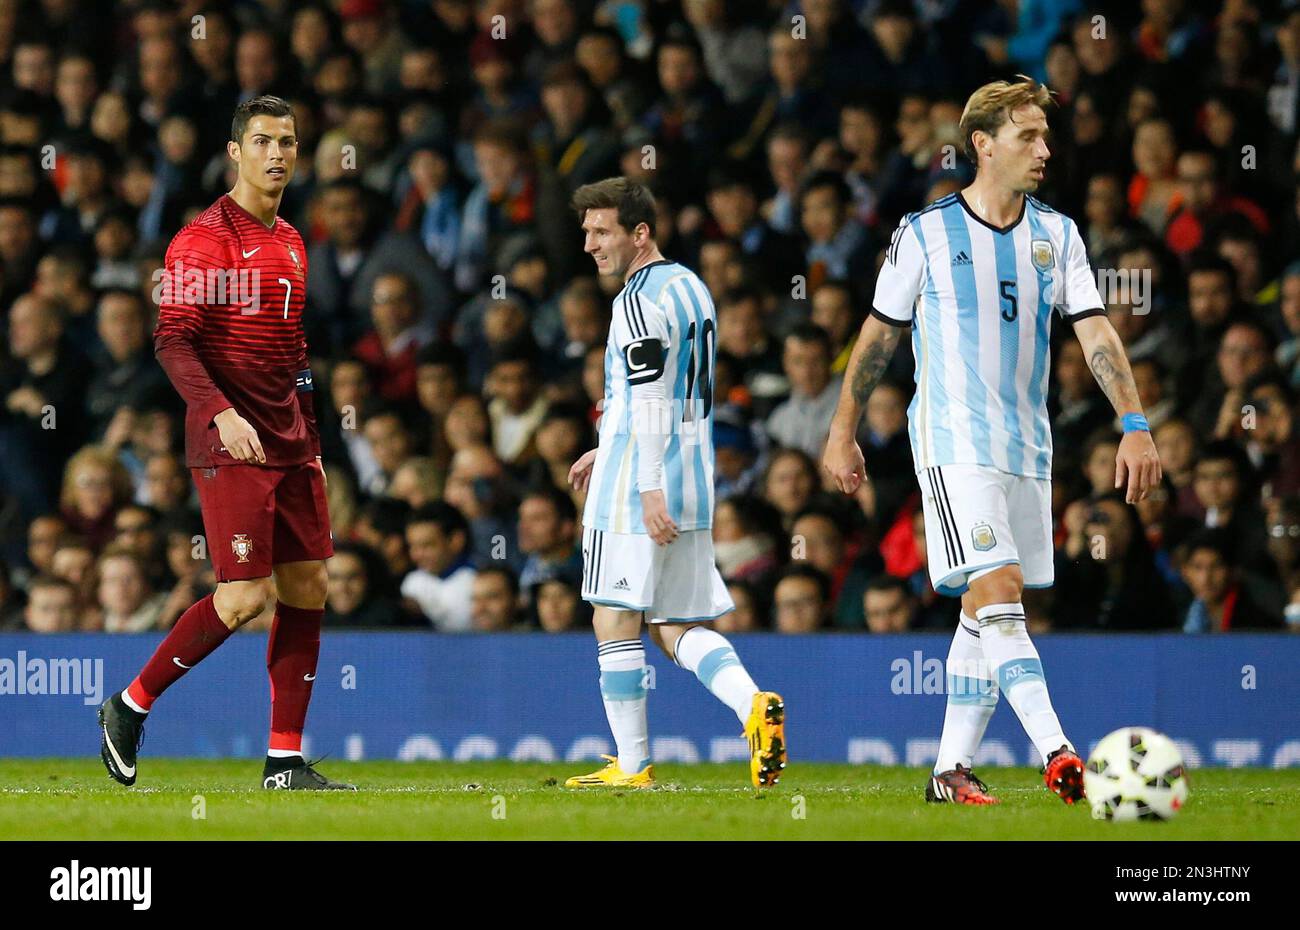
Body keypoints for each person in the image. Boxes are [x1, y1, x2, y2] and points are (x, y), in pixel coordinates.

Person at [823, 77, 1162, 807]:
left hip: (1027, 447)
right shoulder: (924, 233)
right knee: (1001, 588)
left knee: (984, 609)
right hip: (952, 443)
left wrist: (1134, 422)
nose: (1044, 150)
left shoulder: (1058, 234)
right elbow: (880, 335)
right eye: (1027, 137)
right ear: (983, 144)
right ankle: (1061, 753)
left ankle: (949, 771)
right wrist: (842, 429)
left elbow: (1096, 330)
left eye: (1046, 137)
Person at [97, 97, 353, 791]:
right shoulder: (203, 239)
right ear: (235, 151)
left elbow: (294, 351)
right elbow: (171, 340)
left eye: (290, 143)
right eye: (264, 141)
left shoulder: (295, 242)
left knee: (310, 584)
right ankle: (128, 705)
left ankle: (284, 761)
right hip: (229, 442)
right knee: (244, 598)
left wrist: (315, 442)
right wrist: (219, 414)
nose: (278, 154)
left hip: (291, 441)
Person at [565, 177, 785, 790]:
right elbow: (673, 388)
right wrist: (604, 444)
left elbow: (653, 396)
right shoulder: (691, 286)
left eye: (602, 231)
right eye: (585, 232)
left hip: (642, 485)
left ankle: (633, 766)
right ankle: (752, 707)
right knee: (675, 624)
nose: (590, 244)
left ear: (640, 233)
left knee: (614, 616)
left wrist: (644, 483)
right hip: (694, 478)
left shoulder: (635, 300)